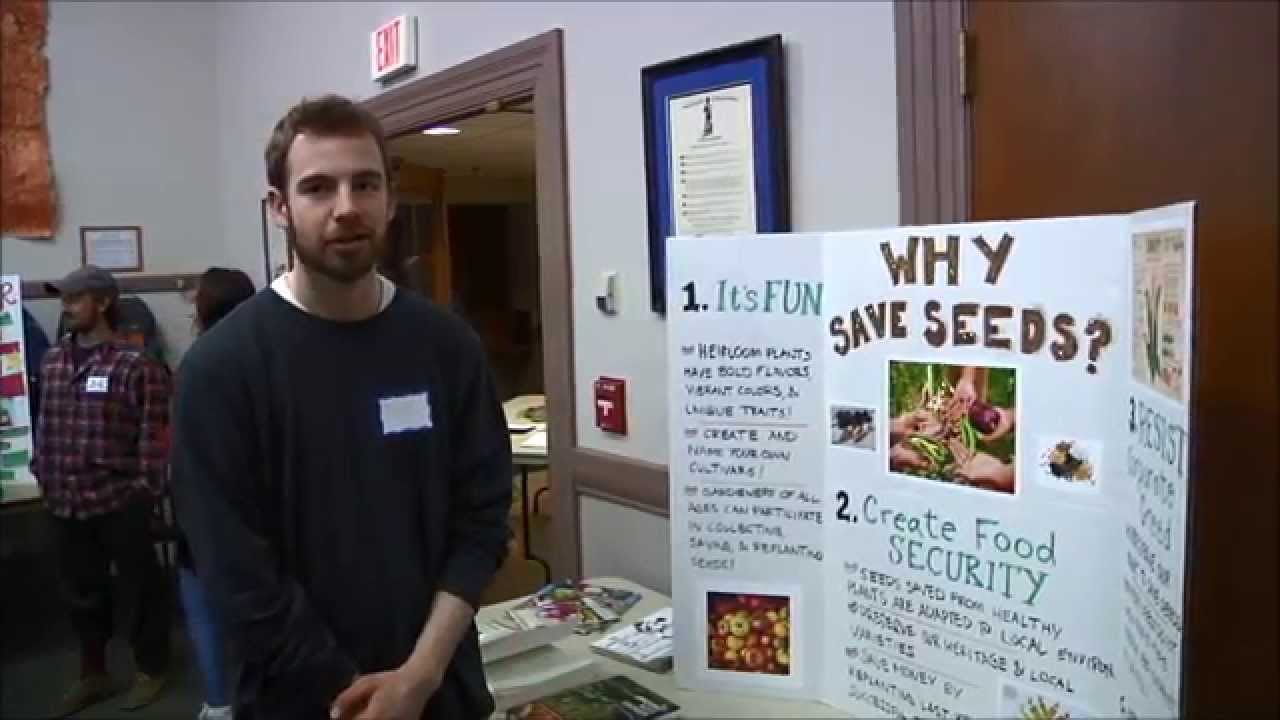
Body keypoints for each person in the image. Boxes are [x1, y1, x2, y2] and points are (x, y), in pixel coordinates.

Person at [171, 94, 513, 720]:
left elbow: (483, 519)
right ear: (279, 206)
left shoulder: (446, 345)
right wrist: (359, 697)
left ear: (389, 195)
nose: (346, 208)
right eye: (318, 188)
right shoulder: (220, 370)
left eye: (365, 184)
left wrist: (418, 676)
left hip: (441, 693)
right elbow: (238, 576)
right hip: (299, 704)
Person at [30, 265, 173, 716]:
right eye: (64, 300)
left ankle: (152, 668)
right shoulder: (53, 361)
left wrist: (145, 489)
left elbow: (154, 433)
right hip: (65, 498)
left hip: (119, 499)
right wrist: (42, 468)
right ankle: (95, 674)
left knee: (139, 590)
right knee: (81, 592)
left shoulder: (137, 365)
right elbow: (46, 423)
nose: (66, 308)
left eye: (75, 299)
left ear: (104, 302)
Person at [175, 268, 256, 720]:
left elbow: (193, 460)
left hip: (212, 528)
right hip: (252, 527)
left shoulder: (203, 363)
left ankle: (222, 704)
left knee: (211, 620)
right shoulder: (265, 352)